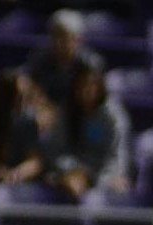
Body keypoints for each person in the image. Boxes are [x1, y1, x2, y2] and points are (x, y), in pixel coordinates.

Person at [42, 63, 128, 201]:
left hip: (103, 174)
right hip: (71, 170)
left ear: (100, 87)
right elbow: (56, 151)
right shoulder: (66, 113)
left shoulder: (113, 116)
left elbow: (117, 156)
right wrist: (74, 170)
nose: (86, 90)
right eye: (81, 85)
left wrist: (97, 178)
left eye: (91, 85)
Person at [23, 9, 103, 111]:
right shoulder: (40, 59)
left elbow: (94, 97)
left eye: (64, 37)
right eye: (55, 36)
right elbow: (32, 89)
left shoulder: (90, 63)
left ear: (77, 39)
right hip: (46, 112)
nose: (58, 43)